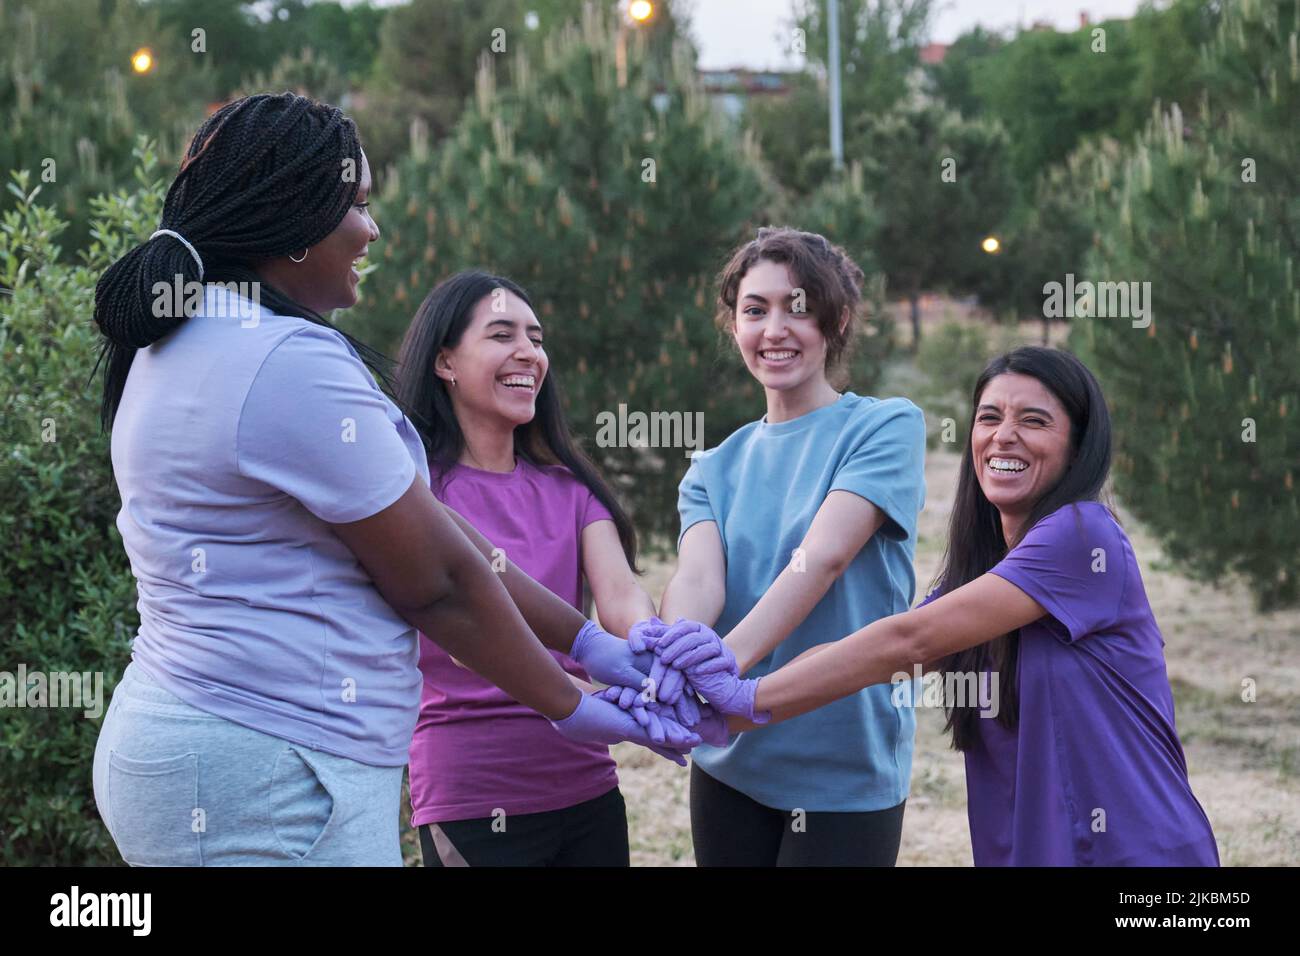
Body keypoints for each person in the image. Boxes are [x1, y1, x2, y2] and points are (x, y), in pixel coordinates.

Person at [89, 93, 694, 867]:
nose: (372, 231)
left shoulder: (184, 336)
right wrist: (569, 701)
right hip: (266, 773)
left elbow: (435, 533)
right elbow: (435, 582)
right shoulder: (284, 361)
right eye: (361, 207)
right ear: (297, 215)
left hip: (207, 743)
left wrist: (584, 641)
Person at [642, 346, 1221, 866]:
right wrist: (709, 711)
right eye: (990, 418)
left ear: (1078, 446)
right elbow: (868, 658)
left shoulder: (1081, 536)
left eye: (1034, 421)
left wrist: (740, 697)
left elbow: (906, 642)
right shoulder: (986, 570)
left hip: (1136, 854)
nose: (1004, 436)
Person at [650, 226, 927, 866]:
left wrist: (722, 666)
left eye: (798, 308)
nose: (775, 328)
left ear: (838, 321)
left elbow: (823, 557)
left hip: (844, 774)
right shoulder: (711, 467)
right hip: (730, 764)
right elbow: (698, 581)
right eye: (755, 310)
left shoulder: (885, 426)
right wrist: (676, 658)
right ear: (734, 326)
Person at [397, 270, 669, 866]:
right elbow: (472, 638)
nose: (529, 353)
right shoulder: (412, 494)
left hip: (587, 784)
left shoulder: (572, 488)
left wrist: (649, 640)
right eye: (501, 335)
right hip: (472, 795)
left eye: (537, 338)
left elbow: (620, 595)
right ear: (445, 361)